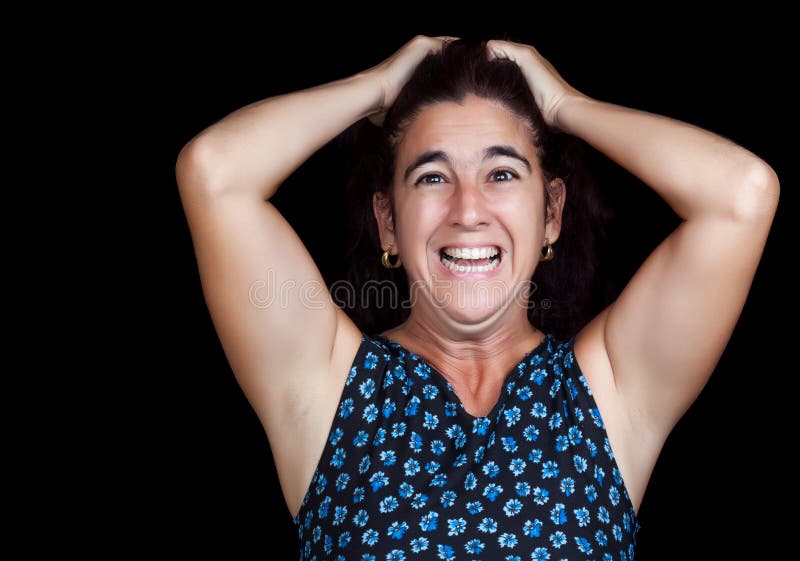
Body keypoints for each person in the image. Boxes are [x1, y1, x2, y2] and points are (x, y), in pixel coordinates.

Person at [175, 36, 779, 559]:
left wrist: (566, 105)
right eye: (433, 177)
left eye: (502, 174)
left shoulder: (611, 391)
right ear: (388, 221)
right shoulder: (326, 387)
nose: (467, 211)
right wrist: (378, 85)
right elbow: (215, 172)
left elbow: (741, 195)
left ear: (551, 213)